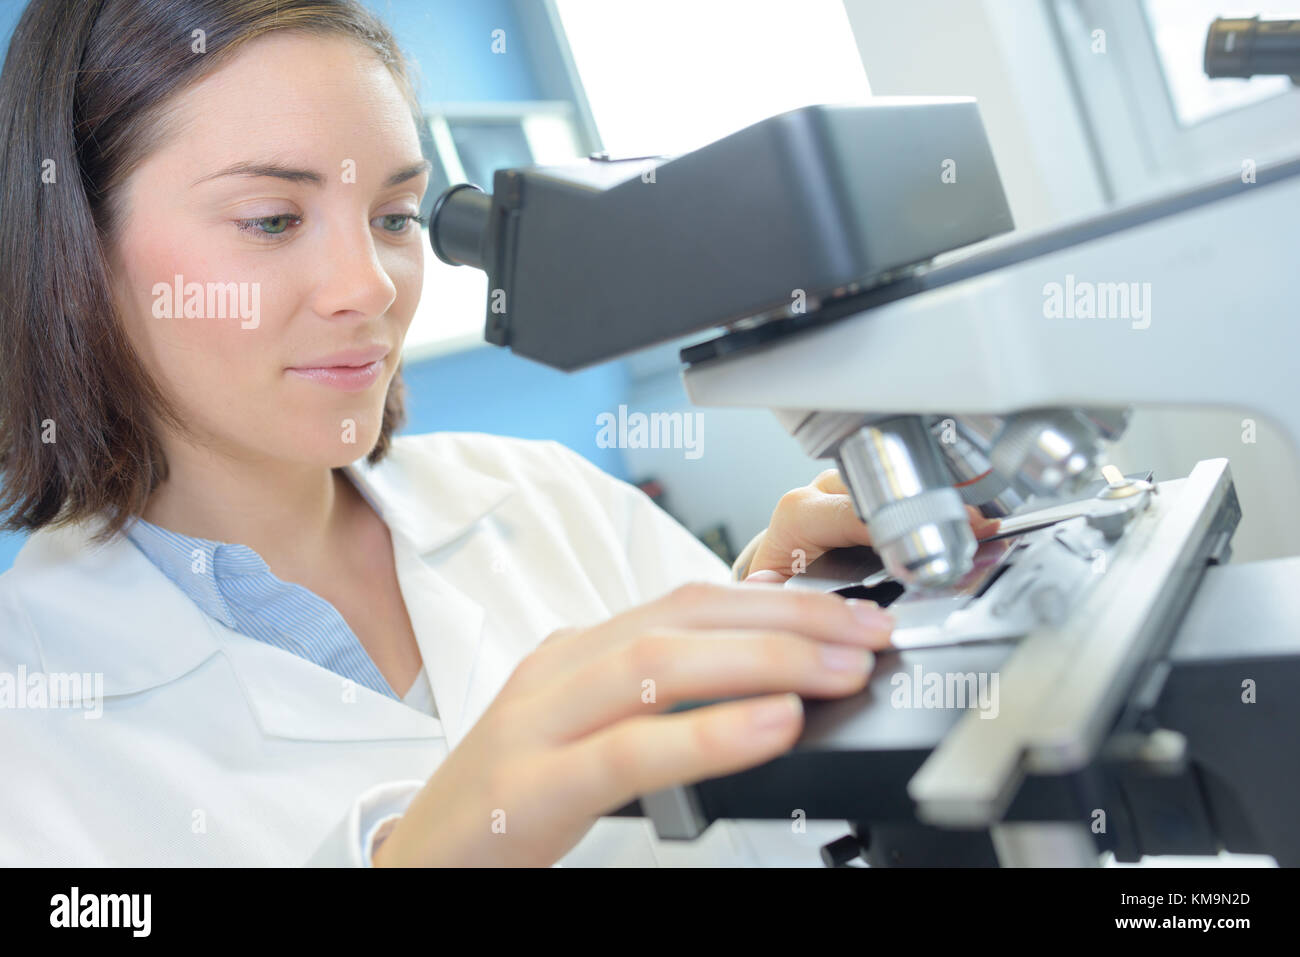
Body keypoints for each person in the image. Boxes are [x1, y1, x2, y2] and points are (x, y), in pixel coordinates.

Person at [0, 0, 997, 867]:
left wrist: (774, 621)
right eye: (271, 219)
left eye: (393, 216)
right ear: (74, 248)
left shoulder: (544, 500)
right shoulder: (32, 717)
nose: (369, 287)